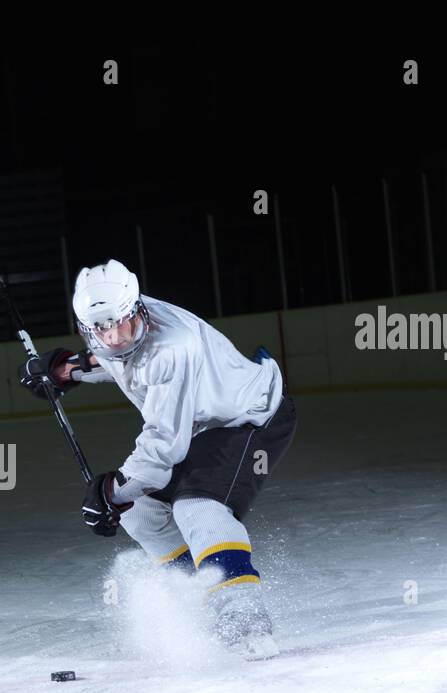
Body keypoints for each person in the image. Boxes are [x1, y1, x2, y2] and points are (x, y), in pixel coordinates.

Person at [19, 259, 296, 659]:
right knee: (140, 512)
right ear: (86, 327)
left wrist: (111, 493)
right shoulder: (124, 320)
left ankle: (244, 617)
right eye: (100, 328)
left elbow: (164, 446)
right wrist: (68, 371)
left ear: (137, 310)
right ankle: (200, 599)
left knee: (197, 506)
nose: (113, 336)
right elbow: (116, 356)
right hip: (204, 424)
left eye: (120, 323)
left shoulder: (172, 347)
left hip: (251, 416)